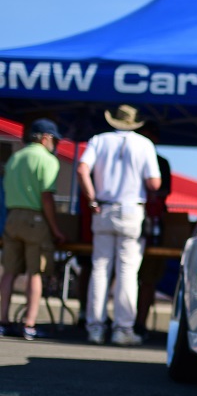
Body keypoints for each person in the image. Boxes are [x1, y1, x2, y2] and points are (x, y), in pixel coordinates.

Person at [77, 105, 161, 346]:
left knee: (100, 269)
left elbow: (82, 169)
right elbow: (154, 183)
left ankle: (95, 327)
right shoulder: (144, 144)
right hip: (130, 210)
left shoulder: (98, 140)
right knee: (127, 271)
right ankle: (122, 329)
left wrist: (92, 198)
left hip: (103, 207)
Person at [0, 118, 66, 340]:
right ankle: (29, 324)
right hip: (34, 218)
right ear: (45, 138)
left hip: (12, 216)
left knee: (9, 271)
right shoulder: (46, 160)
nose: (55, 144)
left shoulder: (15, 158)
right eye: (54, 139)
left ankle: (3, 320)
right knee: (35, 272)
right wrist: (56, 229)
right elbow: (46, 197)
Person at [135, 120, 171, 338]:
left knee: (147, 277)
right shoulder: (130, 156)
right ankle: (112, 323)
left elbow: (162, 190)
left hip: (152, 226)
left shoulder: (161, 163)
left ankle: (139, 323)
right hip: (129, 221)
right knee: (117, 273)